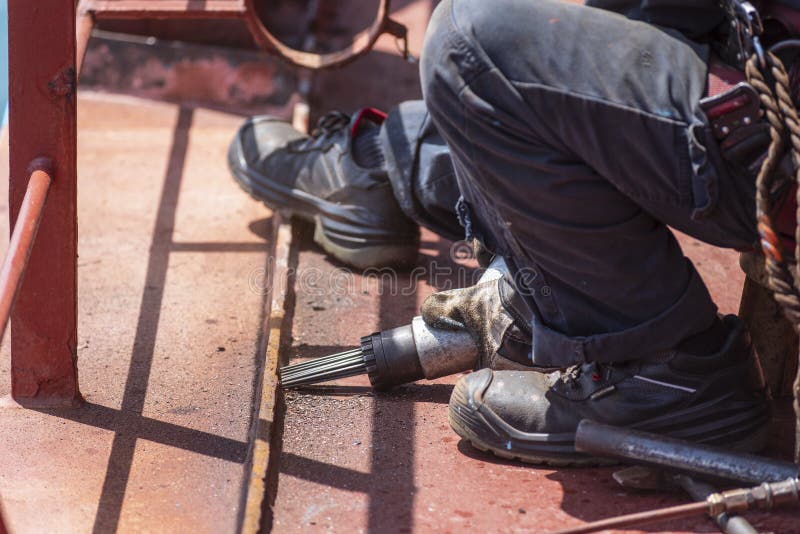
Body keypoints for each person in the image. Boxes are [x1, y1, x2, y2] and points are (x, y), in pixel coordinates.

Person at [227, 0, 783, 464]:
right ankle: (388, 162)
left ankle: (663, 372)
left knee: (470, 45)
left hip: (779, 147)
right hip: (760, 81)